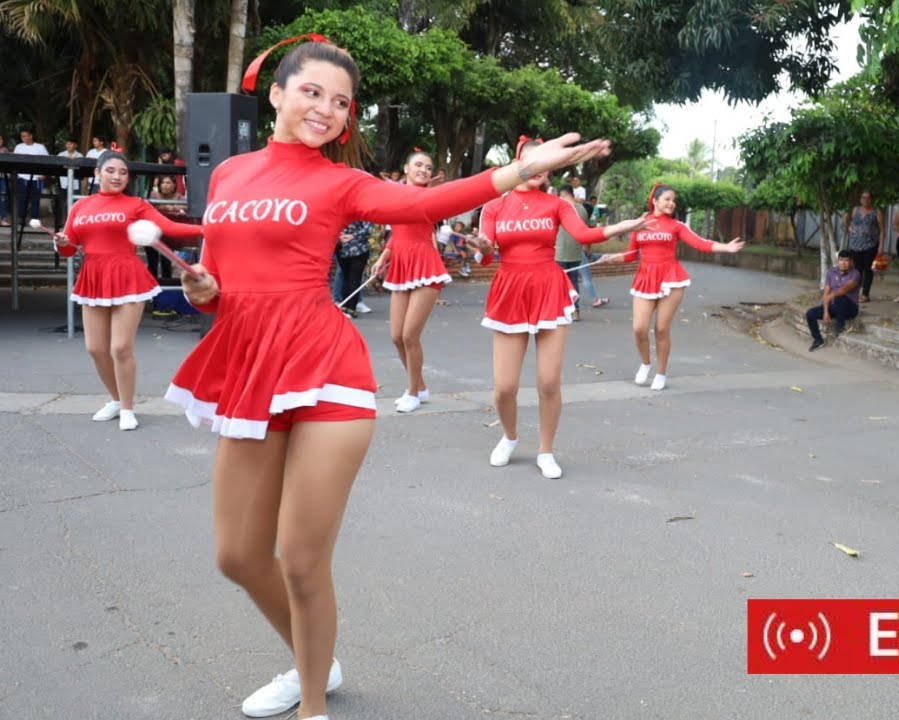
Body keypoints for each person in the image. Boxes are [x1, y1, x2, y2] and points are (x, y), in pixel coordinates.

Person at [166, 39, 612, 720]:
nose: (327, 109)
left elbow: (425, 205)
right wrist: (201, 290)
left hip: (326, 371)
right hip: (253, 371)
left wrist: (519, 170)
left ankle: (313, 704)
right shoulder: (229, 174)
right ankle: (316, 660)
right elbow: (217, 284)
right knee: (237, 556)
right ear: (276, 94)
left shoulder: (340, 182)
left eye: (341, 102)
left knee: (302, 561)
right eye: (312, 92)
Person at [477, 137, 648, 480]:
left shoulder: (557, 204)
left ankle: (546, 450)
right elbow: (486, 254)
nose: (541, 167)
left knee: (548, 382)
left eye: (547, 161)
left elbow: (584, 235)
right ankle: (509, 436)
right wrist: (482, 246)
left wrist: (622, 227)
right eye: (534, 159)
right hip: (510, 292)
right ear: (519, 162)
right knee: (505, 387)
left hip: (549, 290)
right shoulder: (494, 206)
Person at [51, 150, 204, 431]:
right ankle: (115, 399)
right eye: (110, 171)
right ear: (97, 173)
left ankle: (127, 408)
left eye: (122, 172)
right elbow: (70, 248)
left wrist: (209, 229)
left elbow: (169, 227)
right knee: (95, 348)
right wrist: (61, 242)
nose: (117, 176)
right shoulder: (81, 206)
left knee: (120, 347)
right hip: (93, 277)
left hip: (127, 276)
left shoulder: (136, 204)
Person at [603, 183, 745, 390]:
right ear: (655, 201)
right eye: (667, 199)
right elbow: (631, 254)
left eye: (673, 200)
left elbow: (700, 243)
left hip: (671, 278)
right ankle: (645, 363)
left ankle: (661, 373)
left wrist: (726, 247)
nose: (671, 203)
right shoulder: (640, 225)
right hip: (646, 278)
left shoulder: (677, 226)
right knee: (639, 328)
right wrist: (613, 258)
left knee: (661, 329)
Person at [369, 150, 455, 413]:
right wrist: (383, 256)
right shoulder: (396, 197)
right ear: (406, 169)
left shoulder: (430, 197)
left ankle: (413, 392)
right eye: (418, 165)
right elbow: (398, 233)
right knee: (397, 336)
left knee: (409, 335)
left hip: (426, 266)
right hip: (402, 266)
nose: (424, 170)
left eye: (428, 167)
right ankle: (421, 386)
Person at [804, 249, 860, 351]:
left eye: (846, 260)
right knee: (810, 314)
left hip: (850, 308)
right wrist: (826, 311)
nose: (843, 263)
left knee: (839, 297)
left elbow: (845, 289)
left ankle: (840, 325)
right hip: (834, 306)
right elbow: (826, 294)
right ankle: (818, 340)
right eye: (841, 260)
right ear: (837, 261)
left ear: (851, 262)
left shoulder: (855, 274)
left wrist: (832, 296)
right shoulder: (831, 273)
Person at [554, 184, 589, 318]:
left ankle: (561, 309)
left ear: (563, 195)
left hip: (560, 251)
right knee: (573, 281)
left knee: (560, 282)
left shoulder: (560, 208)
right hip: (576, 251)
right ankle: (575, 310)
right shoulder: (582, 210)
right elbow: (585, 229)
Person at [842, 190, 883, 302]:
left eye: (868, 198)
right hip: (855, 245)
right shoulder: (855, 210)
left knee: (868, 269)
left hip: (870, 244)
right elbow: (845, 219)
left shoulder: (876, 212)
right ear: (860, 199)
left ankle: (865, 294)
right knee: (857, 269)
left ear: (871, 199)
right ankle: (856, 292)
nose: (866, 200)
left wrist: (881, 246)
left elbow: (882, 230)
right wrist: (850, 228)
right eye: (863, 198)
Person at [145, 175, 187, 279]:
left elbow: (186, 206)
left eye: (168, 183)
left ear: (174, 185)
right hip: (153, 231)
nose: (165, 185)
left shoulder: (179, 197)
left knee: (166, 261)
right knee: (152, 261)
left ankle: (167, 282)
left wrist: (172, 207)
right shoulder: (153, 195)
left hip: (168, 233)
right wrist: (167, 207)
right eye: (163, 183)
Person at [334, 219, 374, 317]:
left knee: (348, 278)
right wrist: (353, 236)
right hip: (357, 249)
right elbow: (369, 229)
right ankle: (350, 308)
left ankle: (345, 306)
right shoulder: (363, 212)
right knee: (353, 279)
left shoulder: (340, 211)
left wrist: (340, 236)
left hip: (344, 248)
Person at [13, 128, 49, 227]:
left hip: (37, 178)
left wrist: (44, 174)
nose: (23, 138)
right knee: (22, 200)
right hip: (23, 177)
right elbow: (14, 161)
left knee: (35, 200)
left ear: (31, 136)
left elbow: (47, 161)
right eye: (21, 136)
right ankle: (21, 220)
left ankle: (35, 222)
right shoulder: (19, 147)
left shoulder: (40, 147)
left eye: (24, 136)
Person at [55, 138, 84, 228]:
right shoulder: (61, 155)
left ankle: (75, 222)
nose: (68, 146)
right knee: (62, 203)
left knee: (76, 204)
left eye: (70, 144)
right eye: (67, 144)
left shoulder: (80, 155)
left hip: (75, 183)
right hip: (63, 182)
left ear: (75, 145)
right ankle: (63, 222)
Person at [0, 133, 10, 226]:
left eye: (1, 139)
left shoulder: (5, 150)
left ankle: (3, 219)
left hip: (2, 178)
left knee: (3, 198)